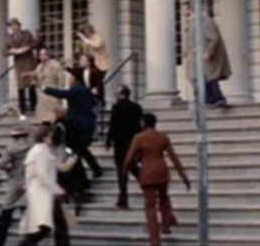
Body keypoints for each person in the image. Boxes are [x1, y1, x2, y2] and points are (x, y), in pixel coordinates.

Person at [123, 113, 191, 246]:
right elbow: (173, 157)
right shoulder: (162, 137)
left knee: (150, 206)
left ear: (143, 123)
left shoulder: (138, 138)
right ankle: (166, 224)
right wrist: (183, 176)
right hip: (162, 169)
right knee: (164, 198)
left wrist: (124, 171)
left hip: (148, 171)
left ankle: (155, 239)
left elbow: (129, 158)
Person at [42, 70, 104, 179]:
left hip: (79, 125)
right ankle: (95, 169)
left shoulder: (77, 90)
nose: (69, 80)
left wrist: (45, 89)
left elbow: (62, 94)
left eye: (70, 78)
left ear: (75, 79)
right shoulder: (85, 91)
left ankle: (82, 175)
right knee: (81, 149)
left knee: (77, 150)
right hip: (86, 123)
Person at [18, 124, 72, 246]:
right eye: (51, 135)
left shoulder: (40, 150)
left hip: (43, 193)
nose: (53, 137)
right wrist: (58, 191)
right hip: (42, 194)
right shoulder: (41, 151)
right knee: (45, 228)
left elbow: (60, 167)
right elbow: (43, 175)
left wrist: (71, 159)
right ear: (45, 136)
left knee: (56, 225)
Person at [181, 1, 232, 108]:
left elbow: (214, 38)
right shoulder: (192, 22)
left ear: (190, 9)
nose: (183, 11)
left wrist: (209, 52)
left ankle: (217, 98)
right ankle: (205, 98)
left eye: (185, 9)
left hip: (204, 56)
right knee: (198, 78)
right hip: (196, 56)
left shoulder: (204, 21)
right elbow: (191, 39)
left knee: (209, 78)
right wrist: (186, 50)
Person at [0, 126, 33, 246]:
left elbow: (0, 165)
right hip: (30, 182)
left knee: (7, 210)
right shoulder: (33, 146)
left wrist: (0, 163)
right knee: (27, 213)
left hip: (16, 181)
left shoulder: (12, 148)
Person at [106, 85, 144, 209]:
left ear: (122, 94)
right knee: (133, 167)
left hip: (120, 143)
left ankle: (123, 197)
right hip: (133, 141)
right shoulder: (136, 107)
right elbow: (140, 126)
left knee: (122, 171)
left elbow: (113, 125)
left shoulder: (117, 108)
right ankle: (146, 185)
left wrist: (108, 140)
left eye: (117, 94)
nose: (115, 96)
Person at [5, 17, 40, 117]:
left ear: (19, 26)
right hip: (19, 63)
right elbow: (4, 51)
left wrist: (28, 47)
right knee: (21, 86)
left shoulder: (27, 33)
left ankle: (34, 106)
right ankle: (23, 107)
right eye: (11, 26)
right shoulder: (9, 38)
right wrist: (12, 51)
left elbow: (35, 43)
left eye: (14, 25)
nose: (13, 28)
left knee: (31, 84)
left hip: (29, 60)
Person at [23, 48, 68, 125]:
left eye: (43, 54)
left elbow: (61, 79)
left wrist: (60, 93)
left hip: (53, 94)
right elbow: (36, 73)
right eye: (40, 55)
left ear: (48, 55)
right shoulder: (40, 66)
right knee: (43, 118)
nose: (42, 57)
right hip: (42, 94)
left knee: (53, 116)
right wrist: (28, 74)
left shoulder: (55, 65)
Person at [76, 24, 111, 98]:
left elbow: (96, 45)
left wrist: (85, 39)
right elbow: (83, 51)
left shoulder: (98, 37)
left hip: (101, 64)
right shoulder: (88, 40)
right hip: (91, 63)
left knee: (97, 82)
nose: (85, 34)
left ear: (90, 31)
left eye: (86, 32)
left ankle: (99, 99)